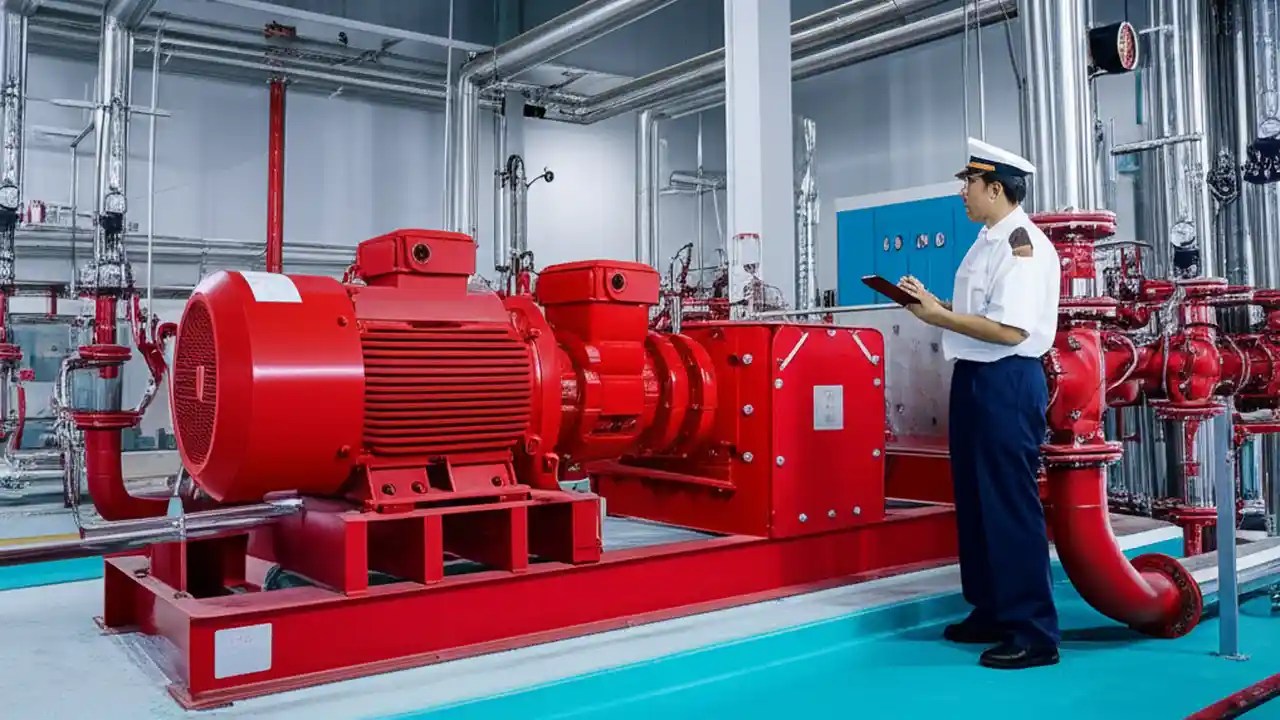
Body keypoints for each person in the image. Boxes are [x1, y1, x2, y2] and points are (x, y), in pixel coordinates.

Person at [896, 137, 1062, 670]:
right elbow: (983, 314)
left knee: (1008, 502)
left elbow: (1012, 330)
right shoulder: (986, 240)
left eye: (968, 183)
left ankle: (1033, 631)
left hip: (1007, 381)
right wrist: (935, 304)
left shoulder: (1022, 245)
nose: (962, 192)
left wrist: (938, 318)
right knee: (975, 499)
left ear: (995, 188)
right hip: (975, 376)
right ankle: (991, 609)